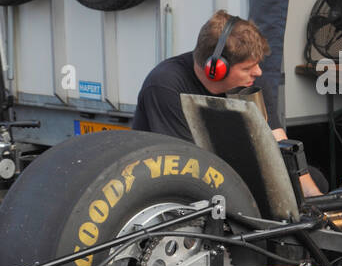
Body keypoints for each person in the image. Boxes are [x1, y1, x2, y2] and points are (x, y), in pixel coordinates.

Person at [132, 11, 322, 197]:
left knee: (314, 179)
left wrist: (313, 197)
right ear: (216, 70)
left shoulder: (251, 80)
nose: (258, 72)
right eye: (247, 68)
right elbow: (185, 165)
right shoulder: (165, 85)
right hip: (178, 178)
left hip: (232, 169)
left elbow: (278, 142)